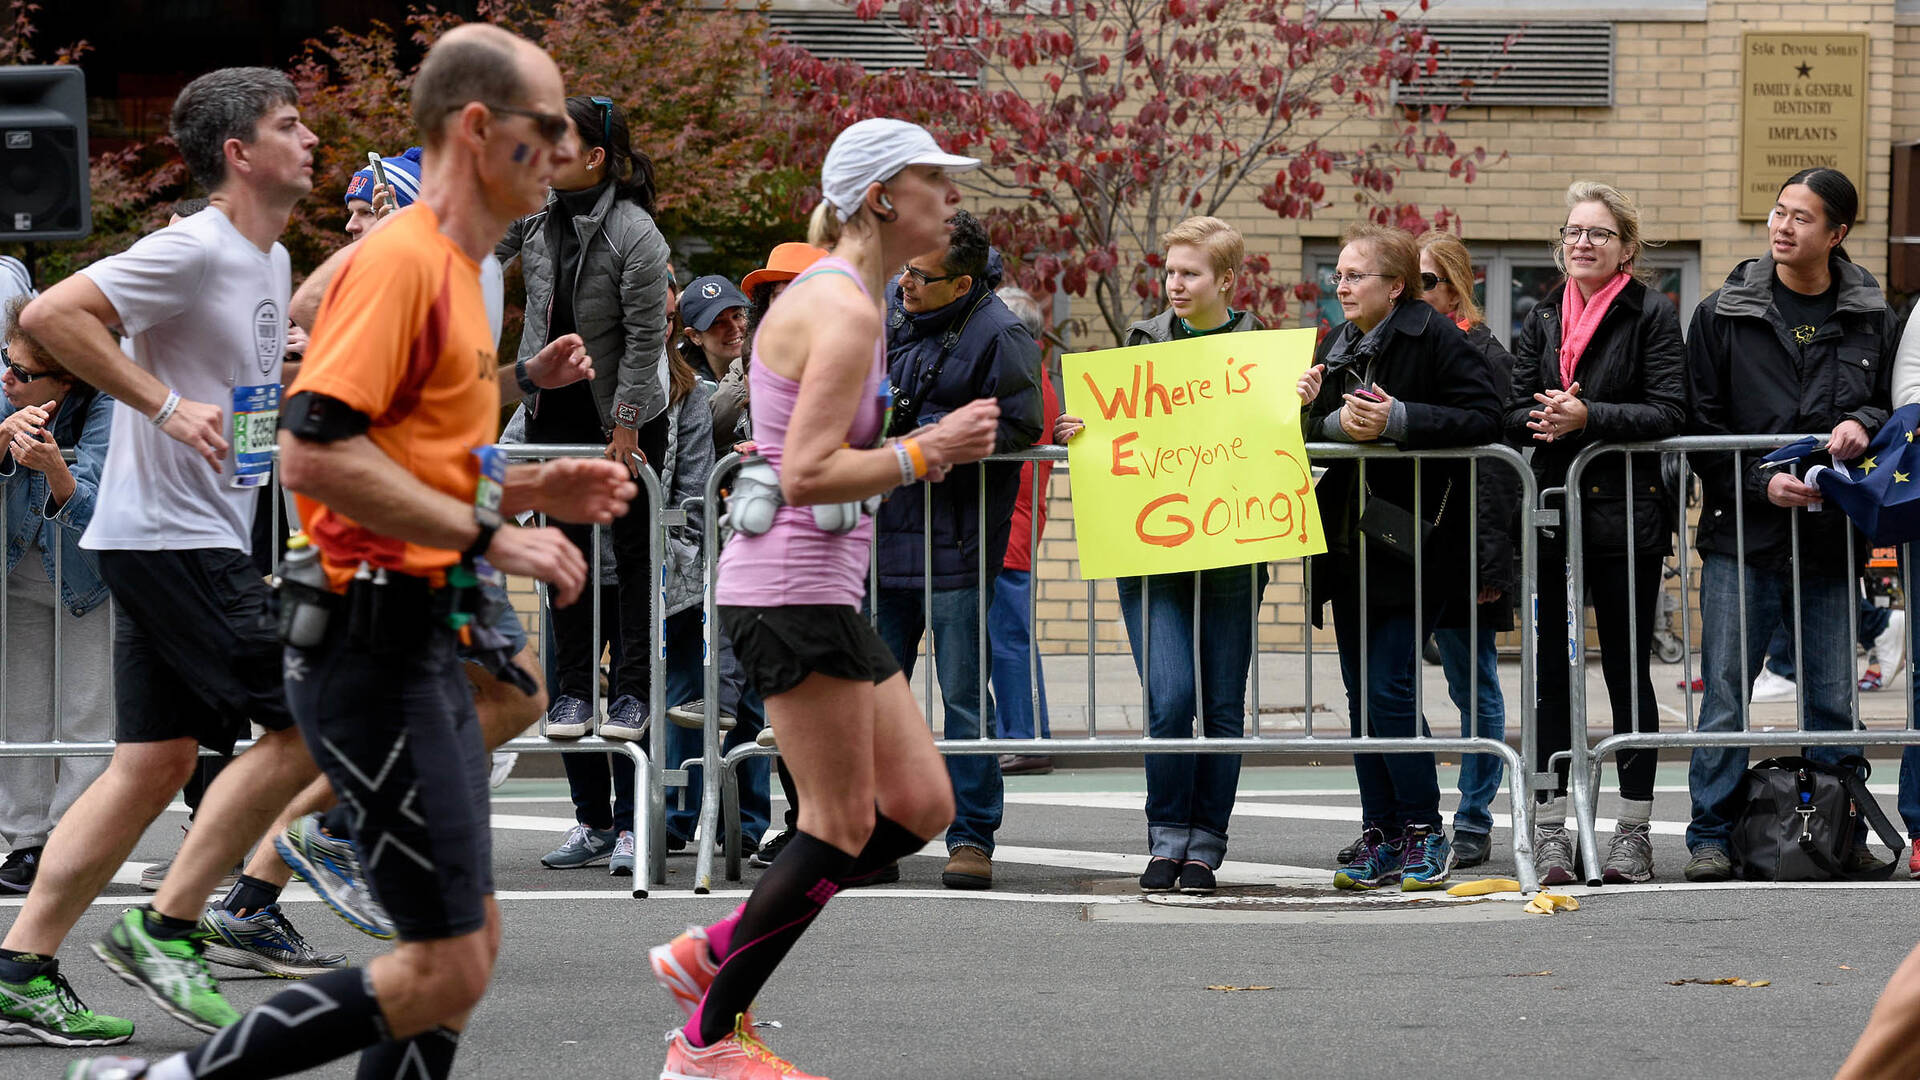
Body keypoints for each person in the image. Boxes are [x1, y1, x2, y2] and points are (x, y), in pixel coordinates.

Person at [67, 25, 639, 1080]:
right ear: (478, 130)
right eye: (546, 125)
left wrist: (529, 484)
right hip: (367, 651)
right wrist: (490, 528)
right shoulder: (403, 264)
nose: (566, 149)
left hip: (418, 636)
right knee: (443, 966)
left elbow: (409, 454)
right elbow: (315, 452)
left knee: (461, 957)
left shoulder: (458, 272)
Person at [643, 116, 998, 1079]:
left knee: (920, 805)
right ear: (883, 196)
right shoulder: (842, 308)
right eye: (935, 179)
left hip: (821, 593)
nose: (952, 198)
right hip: (788, 590)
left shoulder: (853, 298)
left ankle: (717, 950)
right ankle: (706, 1040)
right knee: (836, 826)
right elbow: (803, 472)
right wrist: (934, 449)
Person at [0, 67, 329, 1046]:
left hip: (192, 534)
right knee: (308, 717)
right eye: (290, 123)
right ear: (240, 153)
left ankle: (21, 966)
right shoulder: (190, 247)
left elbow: (237, 390)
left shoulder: (264, 258)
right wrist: (162, 404)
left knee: (154, 763)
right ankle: (167, 927)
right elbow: (50, 319)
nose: (311, 137)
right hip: (169, 535)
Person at [1684, 167, 1897, 882]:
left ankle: (1841, 831)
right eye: (1779, 212)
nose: (1783, 226)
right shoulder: (1722, 312)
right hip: (1741, 537)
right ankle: (1708, 836)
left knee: (1833, 699)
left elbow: (1889, 408)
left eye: (1801, 218)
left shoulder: (1872, 316)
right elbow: (1700, 427)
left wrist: (1860, 423)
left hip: (1834, 539)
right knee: (1725, 694)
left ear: (1835, 234)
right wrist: (1758, 483)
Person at [1055, 215, 1274, 895]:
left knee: (1222, 704)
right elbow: (1124, 432)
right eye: (1170, 272)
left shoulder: (1260, 348)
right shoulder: (1144, 338)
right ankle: (1166, 836)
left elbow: (1275, 441)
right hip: (1153, 551)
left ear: (1226, 280)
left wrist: (1298, 402)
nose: (1175, 285)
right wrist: (1083, 431)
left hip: (1232, 549)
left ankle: (1205, 845)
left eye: (1190, 273)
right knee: (1171, 697)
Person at [1305, 222, 1501, 893]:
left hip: (1414, 543)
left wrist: (1400, 421)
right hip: (1348, 544)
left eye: (1355, 274)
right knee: (1363, 697)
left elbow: (1487, 416)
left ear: (1395, 285)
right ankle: (1381, 832)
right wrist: (1325, 419)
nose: (1341, 283)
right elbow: (1312, 429)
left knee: (1390, 688)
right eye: (1337, 273)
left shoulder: (1435, 336)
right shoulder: (1337, 343)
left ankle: (1423, 831)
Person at [1506, 181, 1687, 886]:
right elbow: (1510, 406)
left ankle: (1633, 832)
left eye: (1598, 233)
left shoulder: (1651, 313)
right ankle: (1551, 832)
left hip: (1627, 519)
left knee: (1624, 672)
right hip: (1553, 512)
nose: (1582, 242)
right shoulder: (1543, 311)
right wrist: (1544, 419)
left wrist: (1592, 418)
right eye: (1573, 231)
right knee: (1551, 675)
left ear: (1626, 249)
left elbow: (1671, 411)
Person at [873, 209, 1043, 890]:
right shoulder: (889, 313)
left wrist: (934, 438)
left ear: (963, 282)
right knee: (877, 698)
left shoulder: (1002, 334)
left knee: (965, 699)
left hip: (959, 545)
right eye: (905, 267)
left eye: (922, 275)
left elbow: (1024, 425)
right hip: (885, 536)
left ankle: (971, 837)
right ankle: (880, 832)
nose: (906, 283)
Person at [497, 93, 671, 746]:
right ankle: (571, 690)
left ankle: (631, 691)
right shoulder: (536, 209)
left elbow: (646, 336)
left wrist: (624, 427)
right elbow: (480, 250)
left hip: (623, 410)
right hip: (553, 404)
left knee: (630, 557)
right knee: (562, 552)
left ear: (594, 157)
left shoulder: (637, 233)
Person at [0, 295, 115, 895]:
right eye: (5, 360)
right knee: (20, 710)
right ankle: (24, 843)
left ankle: (72, 841)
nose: (7, 378)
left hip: (89, 578)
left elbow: (96, 506)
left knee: (86, 714)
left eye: (21, 372)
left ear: (66, 378)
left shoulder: (110, 405)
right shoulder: (8, 398)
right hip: (17, 572)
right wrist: (2, 438)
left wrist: (52, 468)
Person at [1416, 230, 1520, 870]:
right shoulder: (1397, 348)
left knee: (1472, 684)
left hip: (1459, 550)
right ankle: (1416, 812)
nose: (1417, 292)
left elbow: (1497, 470)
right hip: (1403, 547)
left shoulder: (1482, 352)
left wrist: (1488, 564)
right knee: (1389, 684)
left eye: (1427, 281)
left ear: (1455, 287)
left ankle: (1474, 817)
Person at [989, 284, 1060, 776]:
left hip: (1006, 524)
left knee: (1008, 638)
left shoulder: (1022, 376)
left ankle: (1027, 736)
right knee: (1007, 636)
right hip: (1008, 520)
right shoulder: (1031, 372)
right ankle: (1021, 733)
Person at [677, 274, 749, 386]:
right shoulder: (683, 390)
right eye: (717, 322)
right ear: (694, 336)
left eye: (737, 316)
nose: (734, 327)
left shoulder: (774, 369)